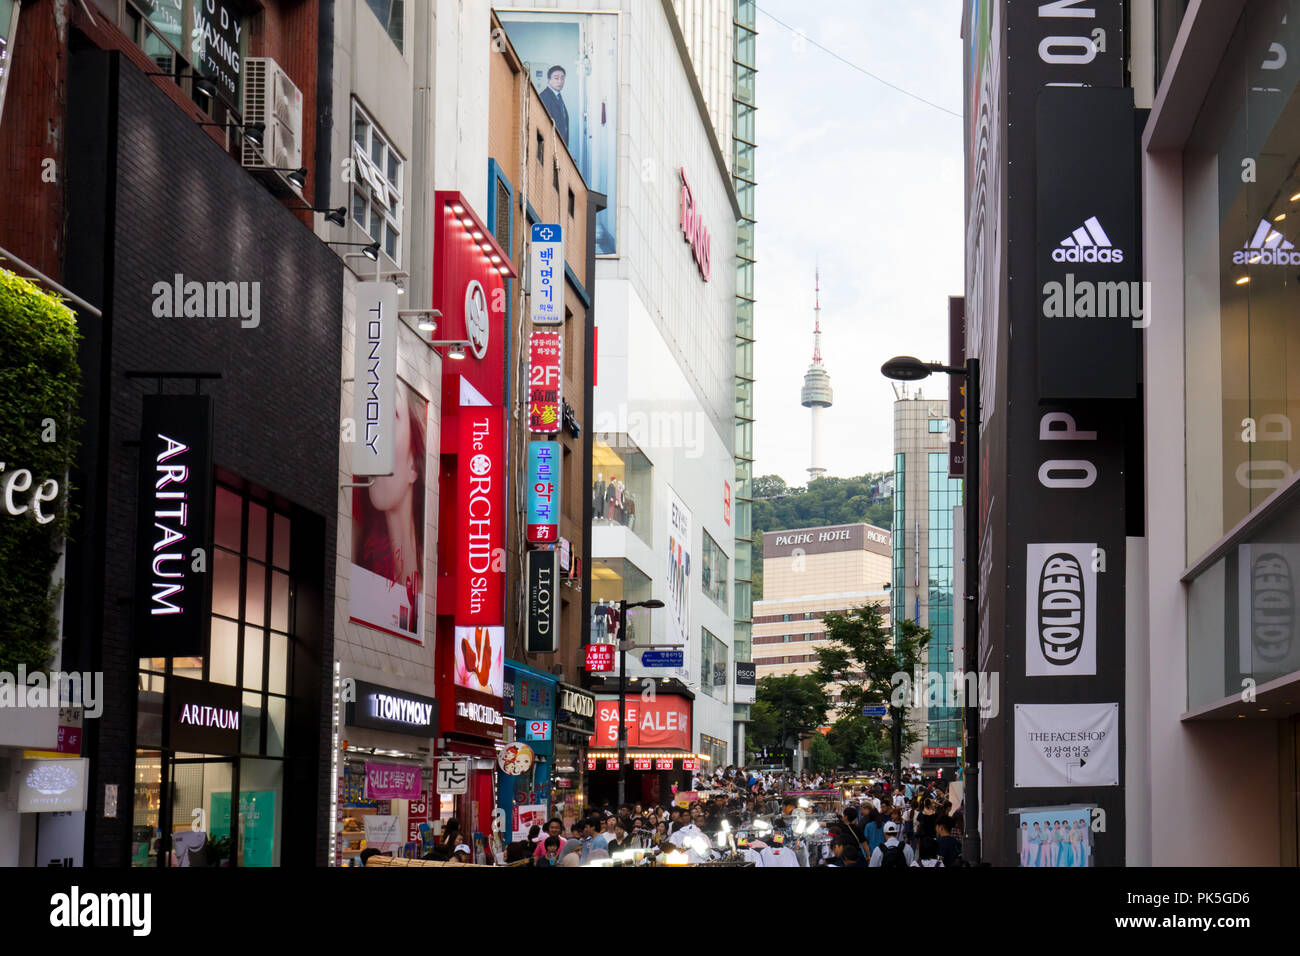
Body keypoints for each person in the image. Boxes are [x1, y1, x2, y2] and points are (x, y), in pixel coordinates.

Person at [352, 380, 426, 638]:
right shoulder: (362, 565)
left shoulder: (423, 592)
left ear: (413, 465)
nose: (374, 437)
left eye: (391, 414)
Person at [538, 65, 570, 145]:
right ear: (549, 80)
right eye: (556, 78)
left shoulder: (558, 96)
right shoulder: (545, 97)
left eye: (562, 78)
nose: (560, 81)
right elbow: (544, 125)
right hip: (551, 145)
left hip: (560, 145)